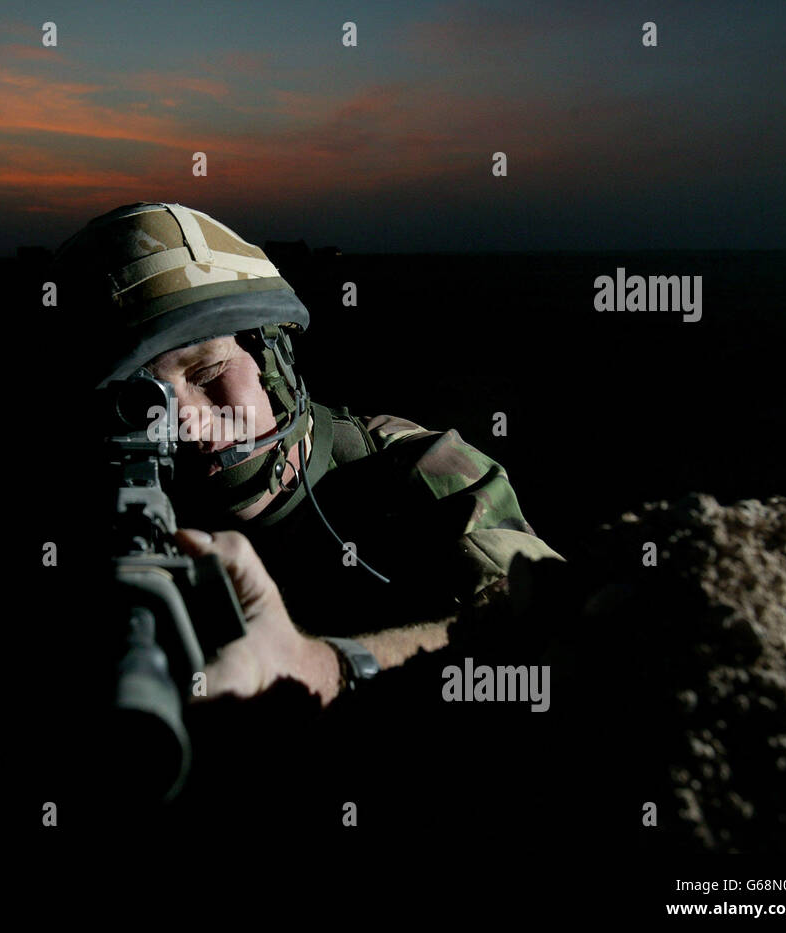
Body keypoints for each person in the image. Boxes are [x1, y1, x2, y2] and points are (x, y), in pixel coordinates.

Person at [50, 201, 564, 710]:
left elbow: (556, 631)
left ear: (272, 356)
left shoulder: (419, 470)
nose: (188, 422)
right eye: (143, 403)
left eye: (207, 374)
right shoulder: (126, 515)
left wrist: (327, 667)